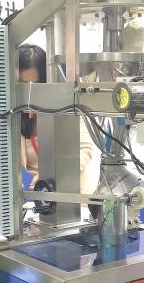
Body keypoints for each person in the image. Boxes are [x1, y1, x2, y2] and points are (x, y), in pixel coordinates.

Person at [18, 43, 99, 194]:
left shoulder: (67, 105)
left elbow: (86, 151)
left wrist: (51, 174)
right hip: (43, 197)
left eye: (36, 85)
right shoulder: (15, 115)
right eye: (23, 85)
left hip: (74, 193)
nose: (30, 93)